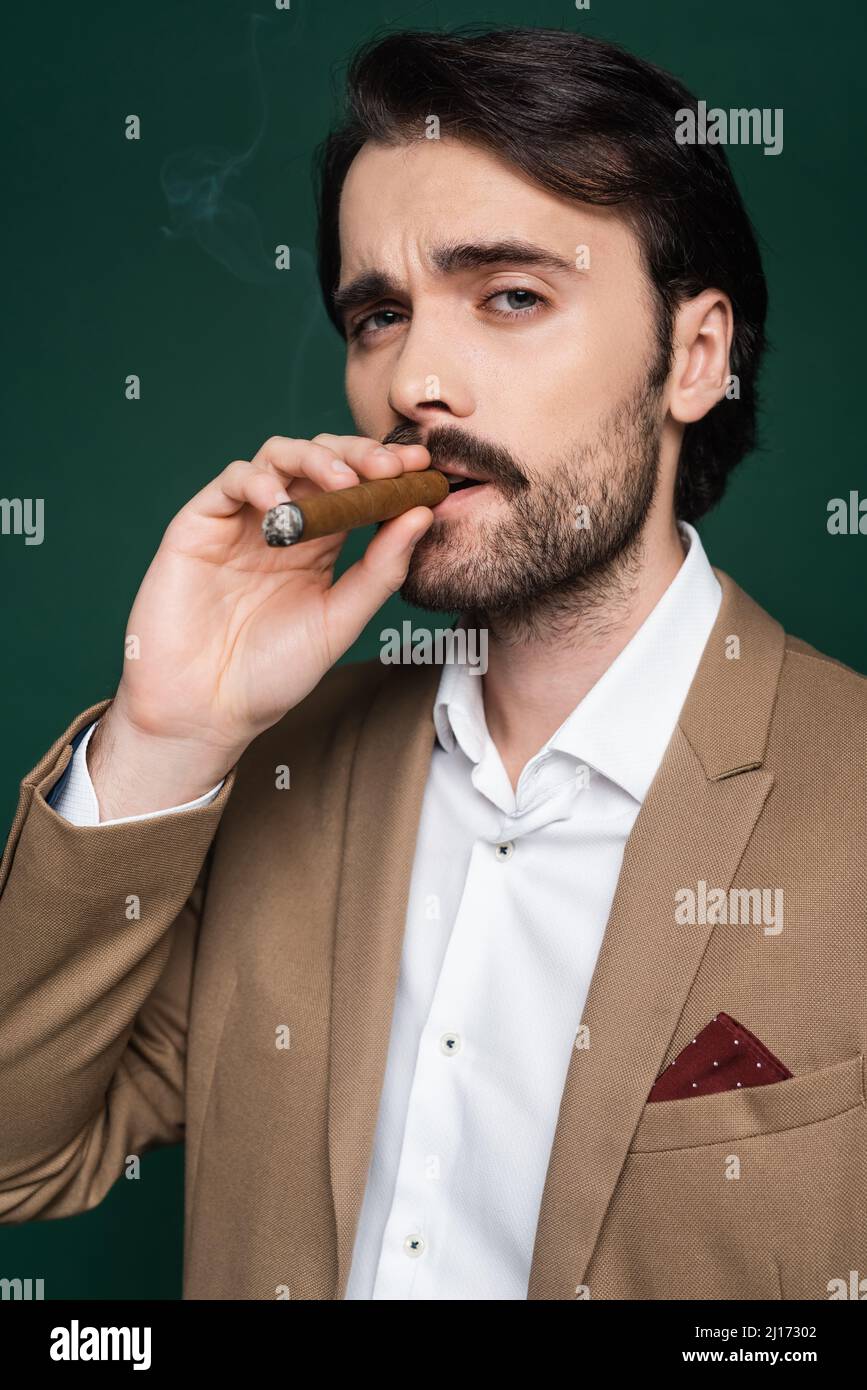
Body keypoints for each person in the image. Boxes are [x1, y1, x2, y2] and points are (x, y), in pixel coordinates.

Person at [0, 27, 864, 1301]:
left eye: (511, 294)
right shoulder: (274, 782)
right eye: (380, 315)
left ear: (693, 358)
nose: (414, 377)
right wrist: (167, 732)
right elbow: (19, 1162)